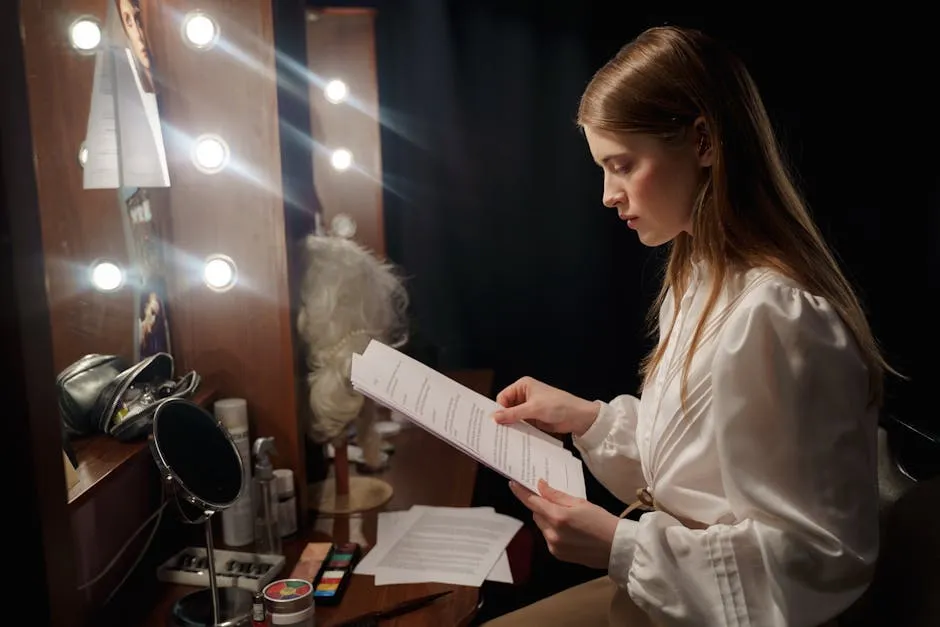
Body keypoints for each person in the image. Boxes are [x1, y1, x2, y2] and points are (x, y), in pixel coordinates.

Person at [484, 25, 891, 627]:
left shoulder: (777, 316)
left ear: (703, 141)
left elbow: (818, 564)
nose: (606, 194)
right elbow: (701, 467)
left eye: (621, 164)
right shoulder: (696, 277)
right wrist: (589, 418)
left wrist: (622, 547)